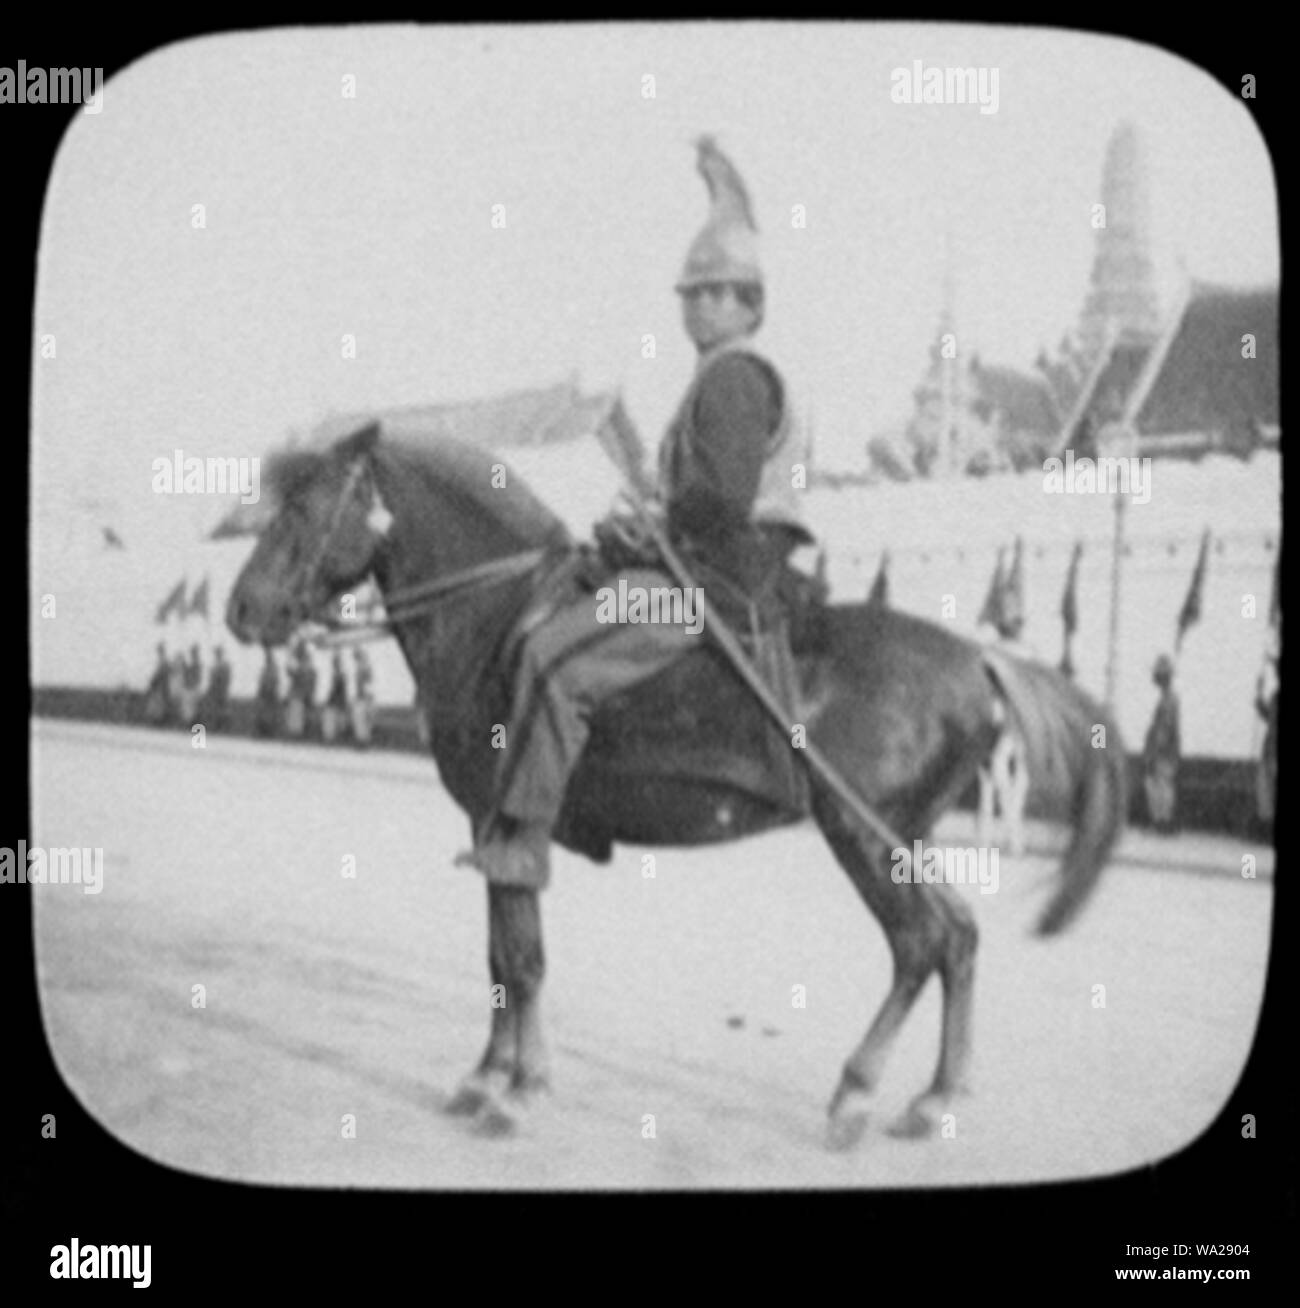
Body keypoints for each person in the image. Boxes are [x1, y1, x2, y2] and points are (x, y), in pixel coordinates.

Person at [455, 136, 813, 890]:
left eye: (718, 293)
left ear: (751, 305)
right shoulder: (724, 376)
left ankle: (525, 842)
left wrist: (653, 522)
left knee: (550, 657)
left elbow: (719, 500)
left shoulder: (735, 377)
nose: (700, 307)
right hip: (711, 565)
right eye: (693, 293)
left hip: (712, 583)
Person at [1143, 653, 1181, 833]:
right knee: (1160, 785)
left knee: (1160, 785)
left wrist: (1153, 751)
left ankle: (1162, 821)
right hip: (1166, 750)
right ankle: (1161, 820)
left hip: (1163, 751)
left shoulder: (1168, 700)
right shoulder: (1169, 699)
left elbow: (1163, 730)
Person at [1254, 651, 1278, 828]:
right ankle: (1265, 824)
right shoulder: (1276, 696)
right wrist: (1259, 693)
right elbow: (1268, 716)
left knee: (1267, 788)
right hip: (1269, 748)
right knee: (1264, 789)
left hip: (1272, 749)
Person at [321, 651, 350, 743]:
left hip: (338, 702)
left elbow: (335, 690)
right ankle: (332, 736)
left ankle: (330, 737)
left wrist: (328, 701)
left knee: (330, 715)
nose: (334, 664)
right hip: (339, 702)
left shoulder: (339, 675)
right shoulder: (339, 674)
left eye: (335, 662)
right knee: (332, 715)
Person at [204, 645, 233, 730]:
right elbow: (211, 678)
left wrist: (221, 687)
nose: (217, 654)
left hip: (221, 690)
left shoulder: (225, 665)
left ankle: (222, 726)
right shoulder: (214, 665)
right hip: (214, 690)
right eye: (217, 653)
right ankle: (214, 725)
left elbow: (226, 678)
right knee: (214, 708)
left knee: (222, 709)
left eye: (218, 652)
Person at [255, 645, 281, 737]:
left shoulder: (273, 669)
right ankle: (263, 731)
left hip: (270, 695)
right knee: (264, 713)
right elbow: (262, 681)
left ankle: (269, 731)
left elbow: (274, 681)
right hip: (265, 695)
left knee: (269, 714)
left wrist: (269, 689)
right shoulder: (266, 668)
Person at [351, 647, 374, 747]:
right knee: (361, 720)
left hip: (364, 697)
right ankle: (362, 740)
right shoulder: (362, 668)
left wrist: (364, 696)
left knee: (362, 720)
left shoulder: (364, 669)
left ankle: (362, 741)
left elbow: (367, 685)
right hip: (362, 697)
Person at [144, 642, 172, 725]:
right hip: (158, 685)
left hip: (161, 686)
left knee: (158, 703)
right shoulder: (161, 660)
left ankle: (157, 720)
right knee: (155, 702)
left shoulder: (164, 661)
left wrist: (154, 682)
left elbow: (161, 673)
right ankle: (154, 719)